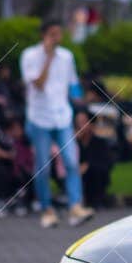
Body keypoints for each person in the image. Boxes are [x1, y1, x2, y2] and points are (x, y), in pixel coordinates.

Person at [20, 18, 93, 228]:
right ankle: (47, 209)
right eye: (52, 34)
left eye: (58, 34)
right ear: (43, 35)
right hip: (39, 118)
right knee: (42, 167)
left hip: (62, 116)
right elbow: (39, 84)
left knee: (71, 161)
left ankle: (75, 207)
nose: (56, 38)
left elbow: (73, 86)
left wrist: (80, 112)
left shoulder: (67, 57)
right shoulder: (30, 56)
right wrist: (48, 59)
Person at [0, 114, 34, 213]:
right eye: (12, 128)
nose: (15, 131)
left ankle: (24, 201)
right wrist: (6, 155)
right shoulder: (5, 141)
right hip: (10, 174)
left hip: (24, 175)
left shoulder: (27, 140)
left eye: (17, 128)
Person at [74, 111, 114, 208]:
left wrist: (88, 165)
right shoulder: (74, 143)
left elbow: (107, 162)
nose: (80, 126)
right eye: (78, 123)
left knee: (95, 170)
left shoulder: (100, 142)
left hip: (96, 175)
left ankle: (97, 200)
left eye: (83, 122)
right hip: (78, 173)